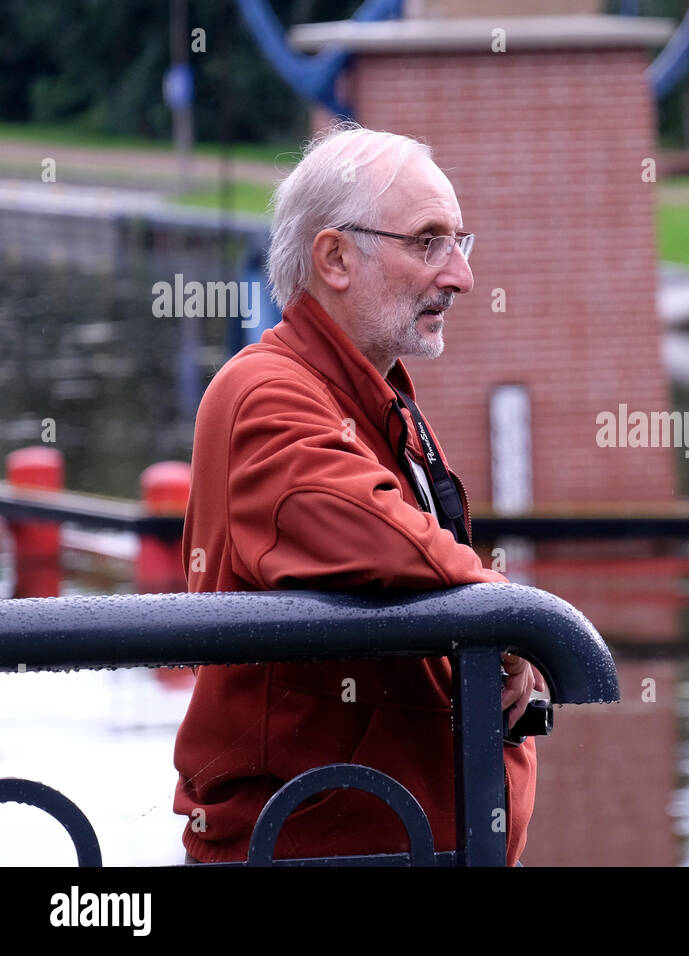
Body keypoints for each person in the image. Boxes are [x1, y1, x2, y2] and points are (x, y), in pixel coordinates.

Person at [172, 121, 541, 865]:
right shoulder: (266, 392)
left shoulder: (369, 395)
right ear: (335, 257)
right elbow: (360, 528)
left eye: (460, 242)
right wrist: (511, 616)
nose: (460, 276)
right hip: (317, 850)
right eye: (428, 241)